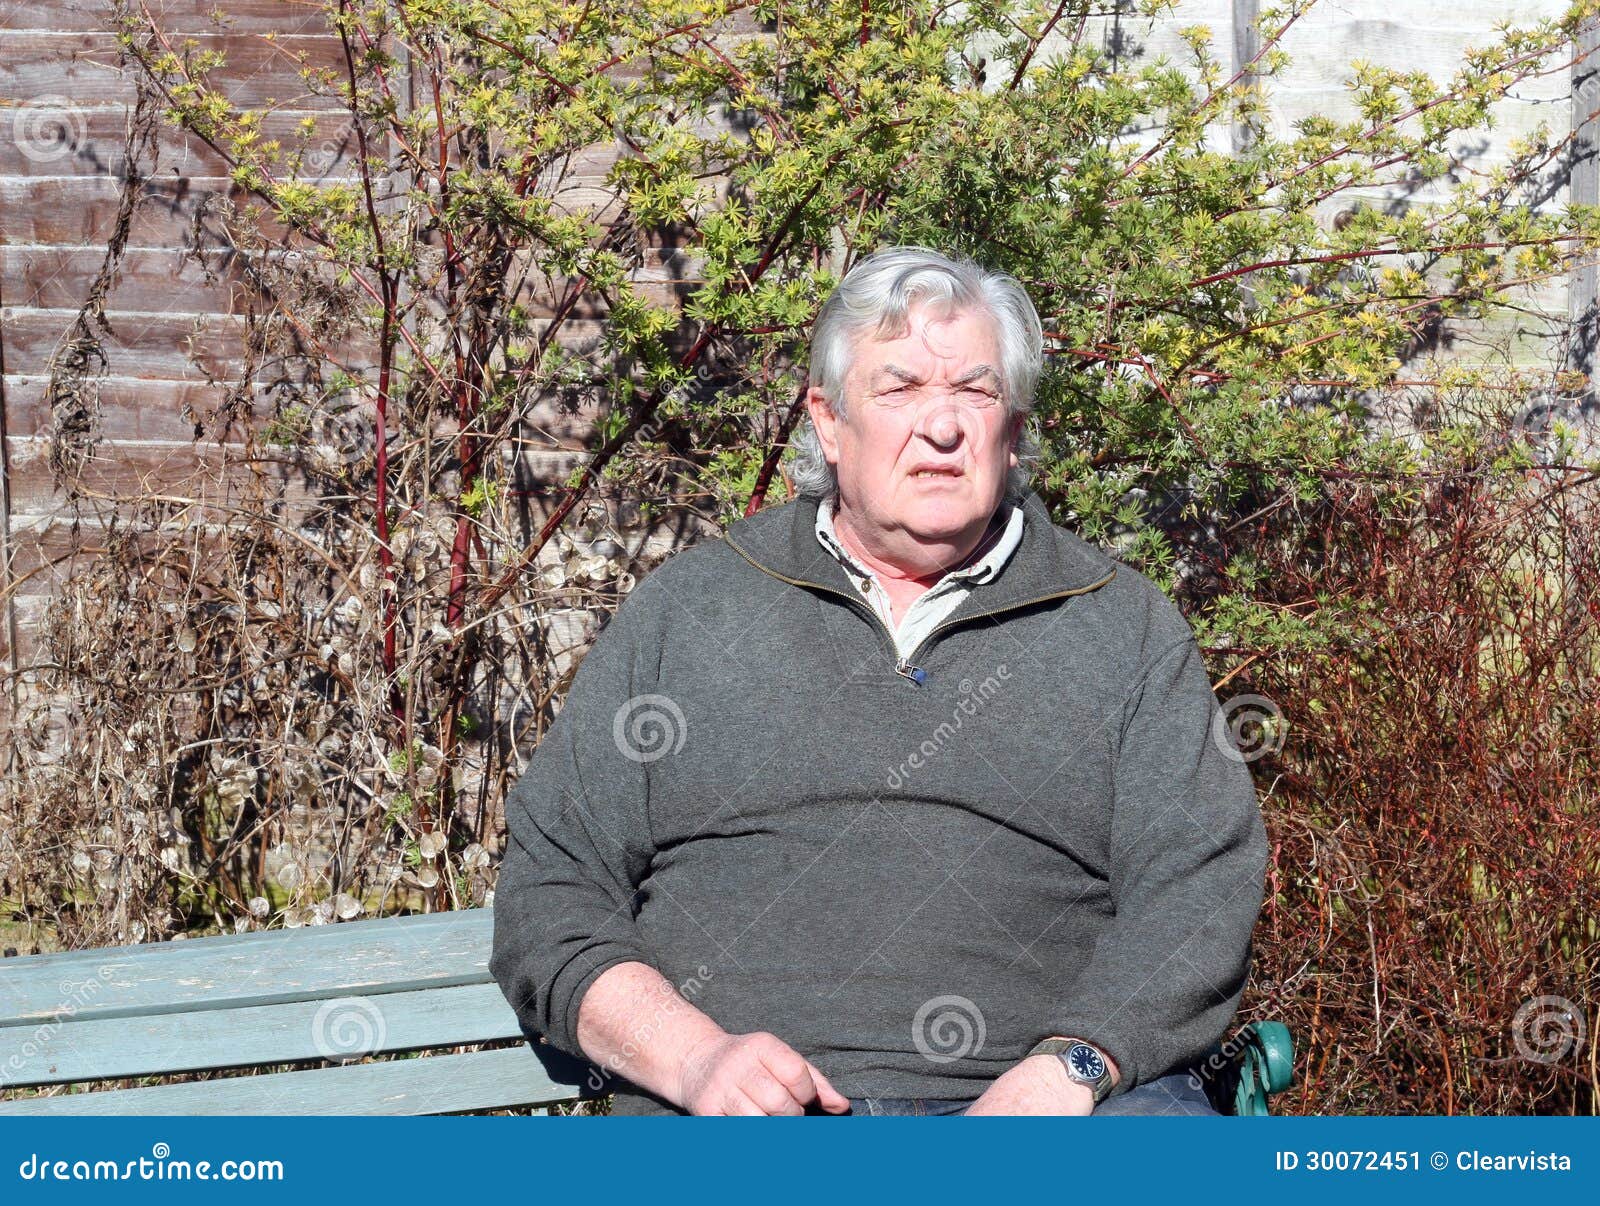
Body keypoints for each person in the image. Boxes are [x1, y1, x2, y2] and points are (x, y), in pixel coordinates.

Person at [489, 246, 1268, 1116]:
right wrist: (694, 1058)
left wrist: (1074, 1068)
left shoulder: (1122, 627)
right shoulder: (693, 610)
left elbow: (1198, 896)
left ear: (1012, 432)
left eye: (975, 392)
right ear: (827, 423)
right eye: (898, 390)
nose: (942, 428)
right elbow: (550, 890)